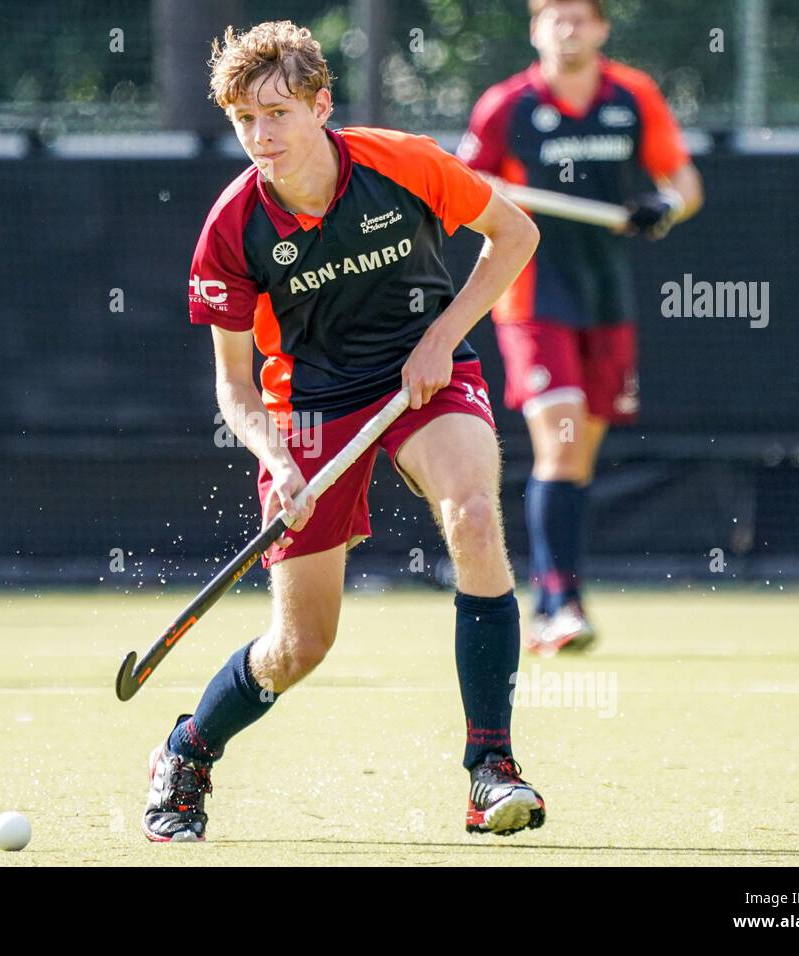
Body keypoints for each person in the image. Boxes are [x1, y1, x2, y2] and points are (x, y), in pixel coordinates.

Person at [144, 20, 542, 842]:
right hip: (310, 410)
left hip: (424, 374)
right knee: (300, 645)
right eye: (244, 120)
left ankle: (489, 768)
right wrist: (276, 461)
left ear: (321, 105)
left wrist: (442, 335)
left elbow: (516, 236)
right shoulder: (231, 228)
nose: (261, 136)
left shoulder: (404, 163)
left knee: (471, 515)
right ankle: (188, 749)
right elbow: (234, 384)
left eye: (278, 113)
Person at [456, 0, 703, 655]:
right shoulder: (504, 107)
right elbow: (462, 187)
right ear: (536, 30)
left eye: (579, 17)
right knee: (559, 444)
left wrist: (665, 208)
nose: (567, 29)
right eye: (553, 18)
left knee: (578, 459)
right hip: (535, 299)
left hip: (606, 297)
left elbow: (686, 184)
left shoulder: (633, 96)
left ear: (601, 28)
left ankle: (555, 599)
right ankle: (558, 605)